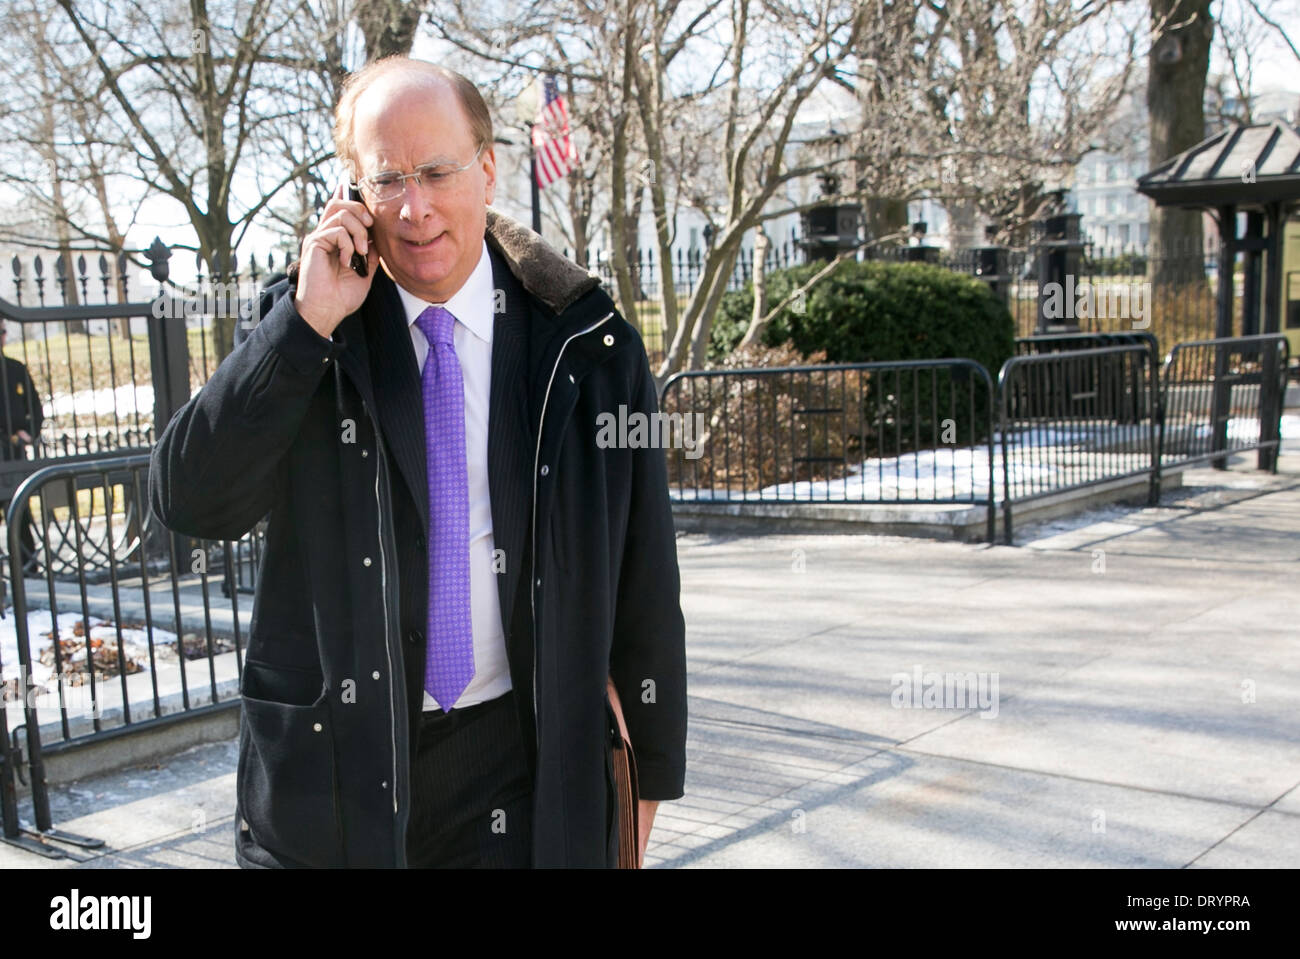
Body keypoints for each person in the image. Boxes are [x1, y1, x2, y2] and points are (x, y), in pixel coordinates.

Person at [148, 56, 688, 868]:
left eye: (437, 171)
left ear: (488, 169)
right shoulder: (308, 325)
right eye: (387, 178)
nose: (415, 206)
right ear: (353, 193)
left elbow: (648, 586)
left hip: (521, 774)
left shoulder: (589, 346)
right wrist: (304, 327)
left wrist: (642, 793)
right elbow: (190, 500)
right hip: (335, 779)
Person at [0, 324, 44, 571]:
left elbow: (34, 408)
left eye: (2, 332)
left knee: (19, 512)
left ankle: (26, 566)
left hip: (13, 449)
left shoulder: (14, 369)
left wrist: (29, 433)